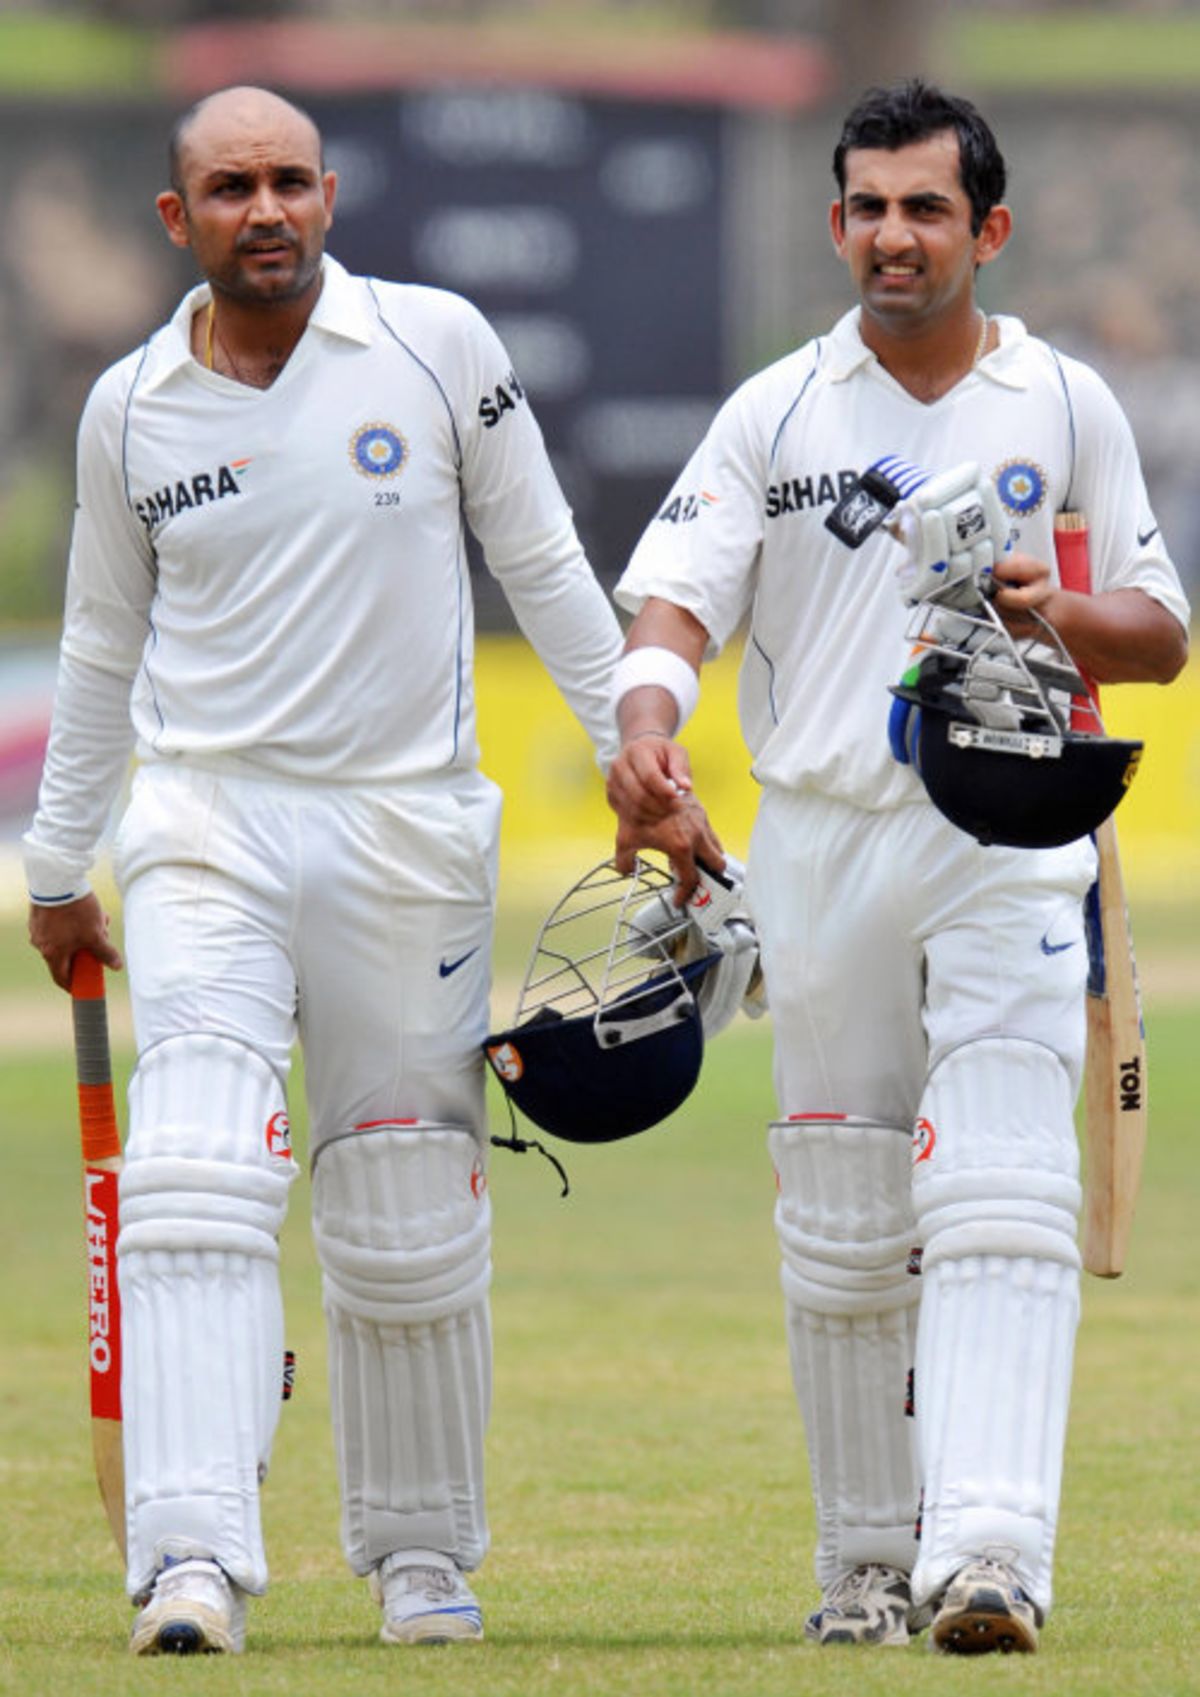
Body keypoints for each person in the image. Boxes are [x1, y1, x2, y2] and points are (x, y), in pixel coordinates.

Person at [25, 85, 624, 1655]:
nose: (268, 210)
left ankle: (419, 1553)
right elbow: (100, 642)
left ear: (332, 196)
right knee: (195, 1172)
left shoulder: (436, 347)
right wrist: (56, 859)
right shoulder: (132, 407)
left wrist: (638, 746)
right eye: (232, 187)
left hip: (405, 828)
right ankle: (191, 1555)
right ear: (181, 218)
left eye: (291, 180)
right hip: (206, 825)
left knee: (406, 1204)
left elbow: (544, 559)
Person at [605, 80, 1188, 1655]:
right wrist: (645, 727)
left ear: (988, 230)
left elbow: (1160, 635)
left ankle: (990, 1551)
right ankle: (868, 1559)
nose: (893, 234)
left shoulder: (1062, 402)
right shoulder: (776, 411)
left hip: (1007, 825)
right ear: (837, 222)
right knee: (845, 1213)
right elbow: (673, 605)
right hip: (821, 838)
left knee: (1000, 1180)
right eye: (867, 206)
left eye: (925, 207)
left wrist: (1052, 611)